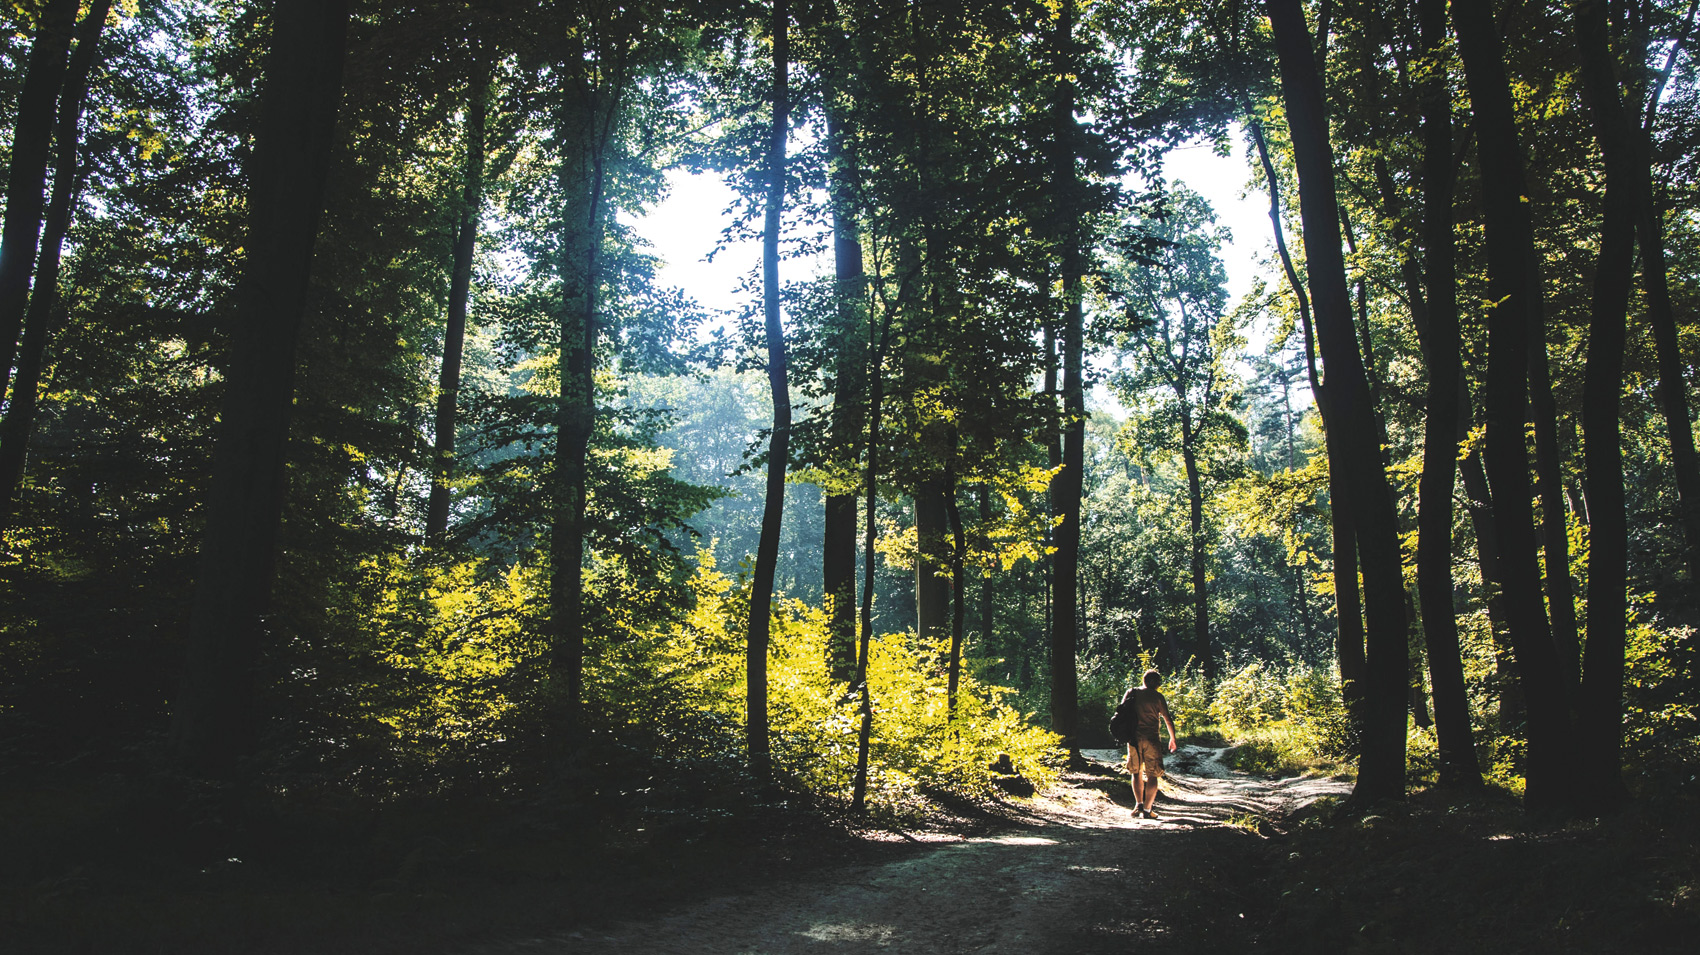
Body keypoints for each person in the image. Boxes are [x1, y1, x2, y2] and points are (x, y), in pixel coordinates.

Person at [1121, 669, 1177, 819]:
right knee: (1153, 775)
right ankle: (1147, 809)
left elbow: (1121, 712)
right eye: (1158, 682)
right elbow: (1167, 719)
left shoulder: (1131, 692)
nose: (1159, 685)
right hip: (1151, 739)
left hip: (1133, 739)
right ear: (1152, 682)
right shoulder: (1158, 697)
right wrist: (1173, 738)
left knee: (1136, 772)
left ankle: (1138, 804)